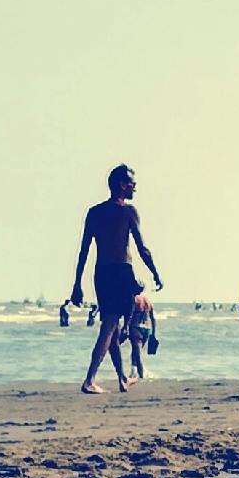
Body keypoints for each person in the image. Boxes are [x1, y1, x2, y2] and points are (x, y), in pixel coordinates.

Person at [69, 163, 162, 394]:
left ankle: (121, 377)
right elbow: (142, 248)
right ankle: (90, 379)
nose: (135, 188)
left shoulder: (94, 212)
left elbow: (83, 251)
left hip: (101, 273)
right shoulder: (128, 211)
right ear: (122, 185)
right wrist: (155, 272)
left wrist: (77, 284)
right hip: (121, 271)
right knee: (110, 325)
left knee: (111, 326)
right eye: (132, 184)